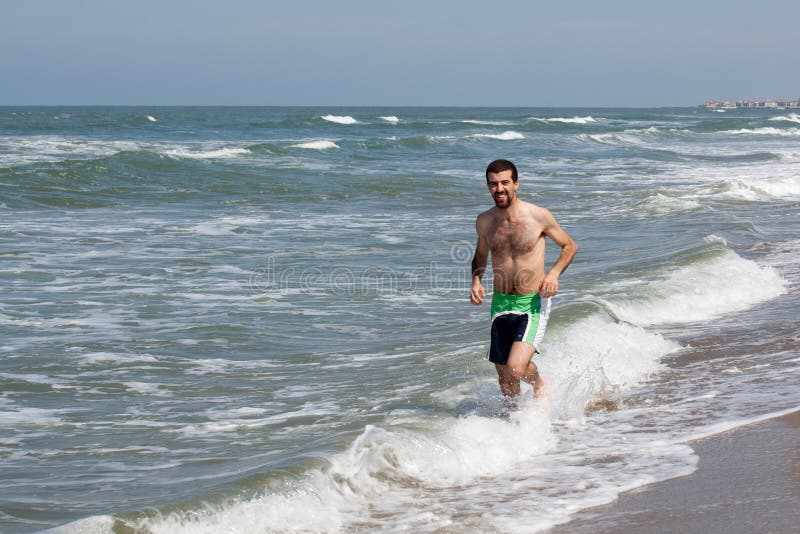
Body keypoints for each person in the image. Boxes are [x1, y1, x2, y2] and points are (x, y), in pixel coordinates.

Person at [470, 159, 577, 401]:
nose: (500, 189)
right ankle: (515, 424)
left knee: (516, 368)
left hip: (531, 303)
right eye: (493, 184)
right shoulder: (484, 221)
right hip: (500, 303)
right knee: (504, 377)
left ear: (516, 183)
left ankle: (539, 384)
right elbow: (480, 255)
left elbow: (569, 245)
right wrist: (476, 281)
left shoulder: (538, 216)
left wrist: (553, 274)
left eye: (505, 182)